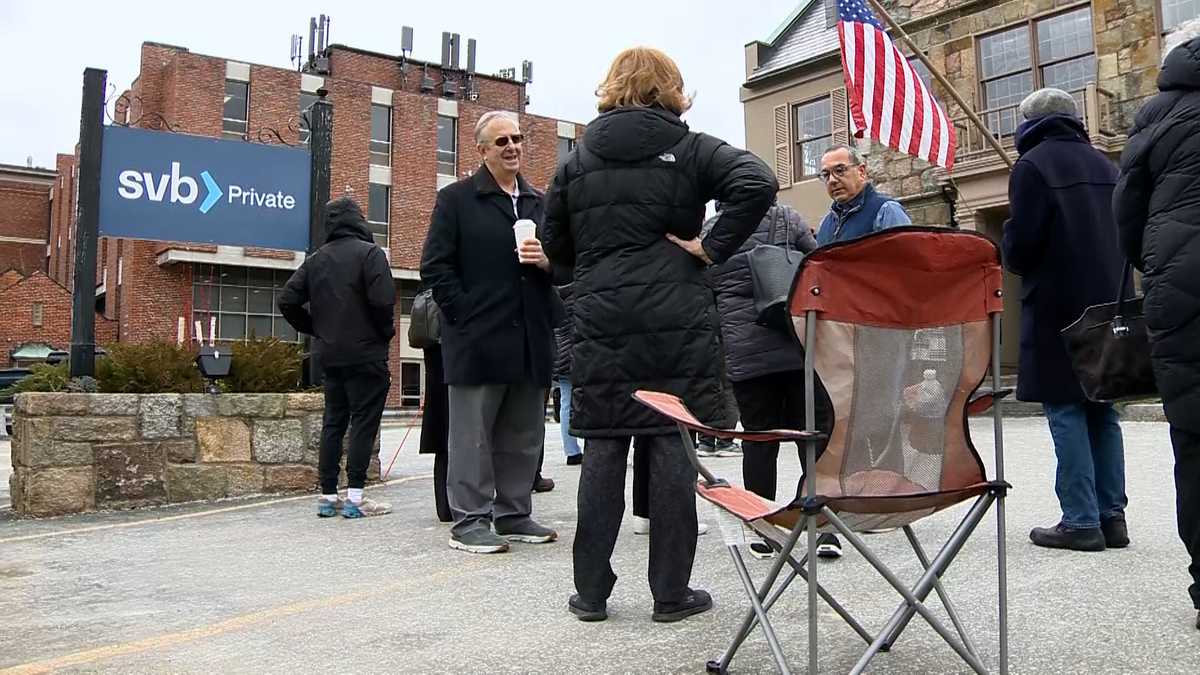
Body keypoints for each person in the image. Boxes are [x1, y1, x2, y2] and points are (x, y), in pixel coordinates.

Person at [543, 46, 777, 623]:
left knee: (604, 443)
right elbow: (758, 181)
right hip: (676, 313)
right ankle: (671, 593)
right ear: (670, 88)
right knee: (672, 442)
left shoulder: (576, 161)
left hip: (602, 318)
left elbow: (554, 246)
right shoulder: (691, 148)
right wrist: (710, 247)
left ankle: (591, 593)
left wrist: (592, 271)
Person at [420, 110, 559, 555]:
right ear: (482, 150)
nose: (512, 146)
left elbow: (567, 265)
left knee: (523, 434)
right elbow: (435, 267)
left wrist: (548, 262)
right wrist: (465, 316)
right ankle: (470, 521)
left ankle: (514, 513)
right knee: (472, 437)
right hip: (478, 340)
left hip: (530, 339)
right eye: (502, 141)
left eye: (517, 138)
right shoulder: (456, 200)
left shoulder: (539, 202)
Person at [1002, 88, 1128, 552]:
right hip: (1107, 303)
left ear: (1028, 122)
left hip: (1057, 305)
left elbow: (1022, 249)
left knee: (1066, 407)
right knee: (1102, 408)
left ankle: (1080, 521)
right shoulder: (1106, 166)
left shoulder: (1032, 166)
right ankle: (1112, 517)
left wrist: (1009, 231)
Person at [1113, 20, 1200, 628]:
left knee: (1194, 442)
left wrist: (1159, 265)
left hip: (1182, 293)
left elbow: (1127, 213)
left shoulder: (1158, 115)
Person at [706, 202, 841, 559]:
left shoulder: (712, 231)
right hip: (798, 345)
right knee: (812, 436)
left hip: (746, 355)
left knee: (759, 440)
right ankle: (823, 527)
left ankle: (764, 528)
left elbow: (705, 289)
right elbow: (819, 268)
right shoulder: (787, 218)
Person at [278, 196, 395, 519]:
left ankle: (328, 496)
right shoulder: (370, 254)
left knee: (333, 422)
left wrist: (315, 328)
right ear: (358, 220)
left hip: (329, 355)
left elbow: (287, 300)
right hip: (366, 353)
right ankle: (355, 497)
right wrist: (384, 334)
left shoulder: (316, 260)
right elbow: (383, 302)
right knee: (363, 422)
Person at [814, 144, 911, 245]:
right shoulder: (825, 224)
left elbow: (907, 253)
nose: (832, 180)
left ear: (861, 172)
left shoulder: (886, 211)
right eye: (826, 175)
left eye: (839, 171)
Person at [420, 342, 452, 522]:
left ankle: (445, 505)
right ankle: (466, 504)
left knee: (443, 429)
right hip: (457, 346)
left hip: (436, 348)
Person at [553, 283, 583, 466]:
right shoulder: (579, 295)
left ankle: (571, 451)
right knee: (591, 400)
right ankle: (591, 445)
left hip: (560, 357)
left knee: (566, 403)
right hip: (579, 356)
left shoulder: (554, 295)